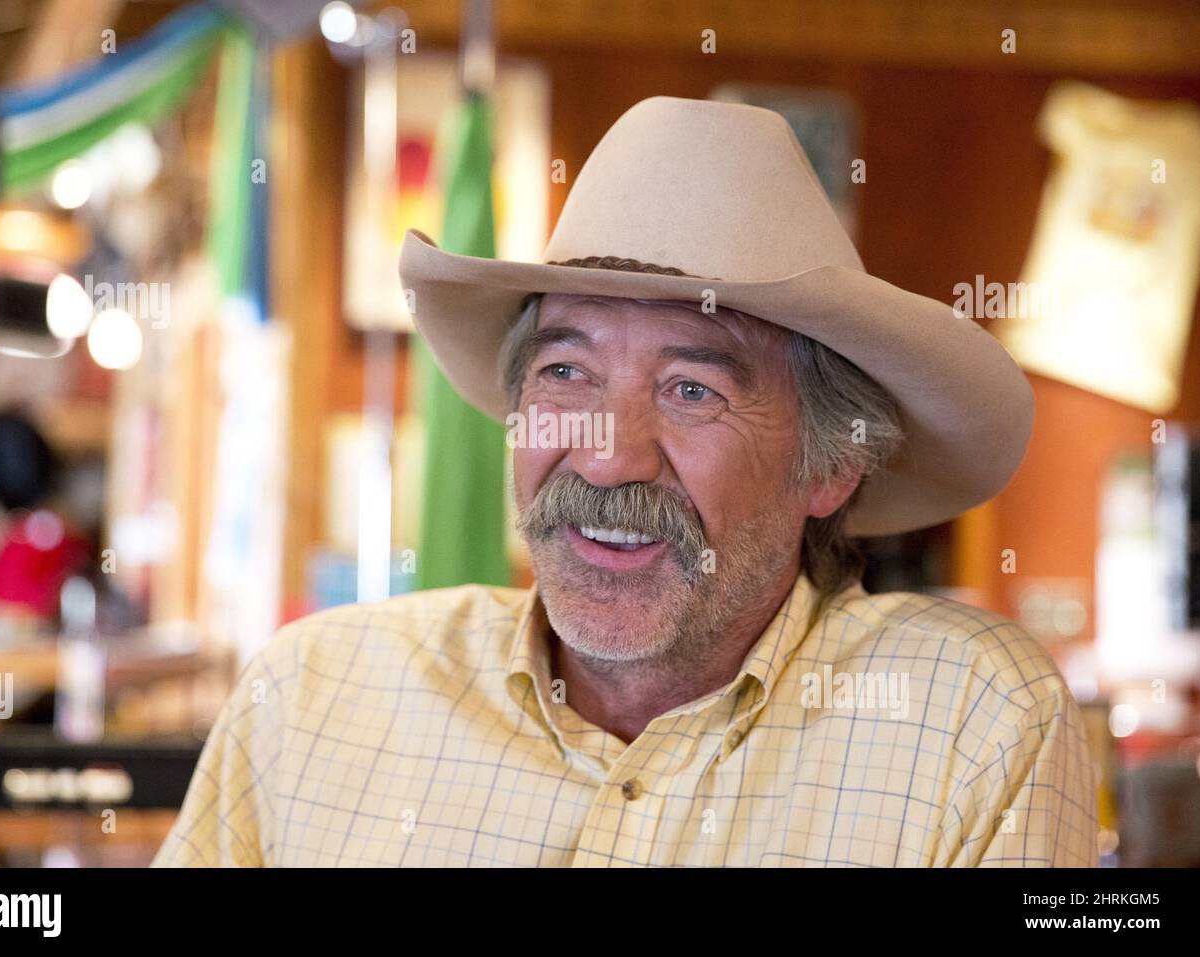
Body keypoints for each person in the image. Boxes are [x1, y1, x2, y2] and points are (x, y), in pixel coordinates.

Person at [154, 96, 1097, 867]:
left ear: (835, 462)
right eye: (567, 372)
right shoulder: (314, 690)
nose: (608, 456)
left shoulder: (973, 721)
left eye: (692, 391)